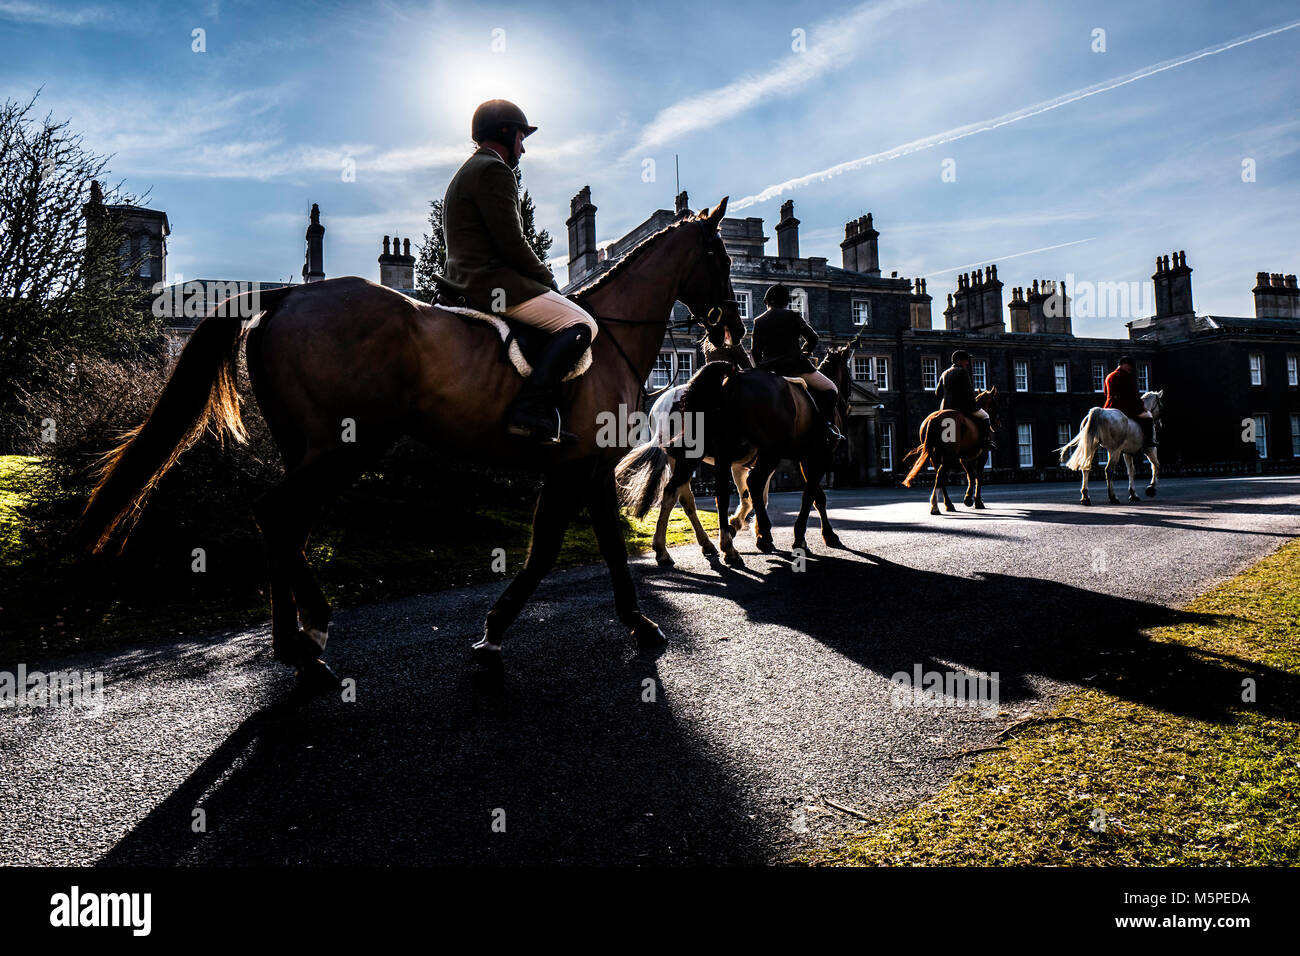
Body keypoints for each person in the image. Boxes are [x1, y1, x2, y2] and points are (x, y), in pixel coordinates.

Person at [439, 99, 597, 443]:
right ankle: (531, 409)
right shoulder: (495, 170)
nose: (523, 148)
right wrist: (548, 280)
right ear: (506, 133)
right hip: (489, 285)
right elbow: (512, 243)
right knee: (582, 323)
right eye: (521, 138)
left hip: (463, 280)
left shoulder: (467, 170)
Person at [750, 284, 842, 445]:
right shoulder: (793, 316)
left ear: (768, 301)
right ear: (785, 301)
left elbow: (755, 353)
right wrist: (805, 353)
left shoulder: (759, 321)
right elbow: (813, 338)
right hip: (796, 367)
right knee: (831, 389)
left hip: (770, 371)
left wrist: (761, 371)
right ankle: (825, 426)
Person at [935, 350, 994, 451]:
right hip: (962, 407)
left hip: (944, 408)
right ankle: (986, 441)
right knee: (985, 416)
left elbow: (938, 393)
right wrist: (974, 405)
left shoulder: (944, 373)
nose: (967, 363)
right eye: (965, 360)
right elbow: (969, 391)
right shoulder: (962, 372)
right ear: (959, 361)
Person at [1104, 355, 1156, 447]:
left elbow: (1105, 393)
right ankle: (1148, 441)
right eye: (1130, 367)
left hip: (1108, 407)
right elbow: (1133, 394)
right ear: (1125, 364)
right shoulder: (1125, 375)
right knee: (1148, 417)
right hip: (1124, 407)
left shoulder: (1109, 376)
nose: (1130, 369)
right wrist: (1141, 406)